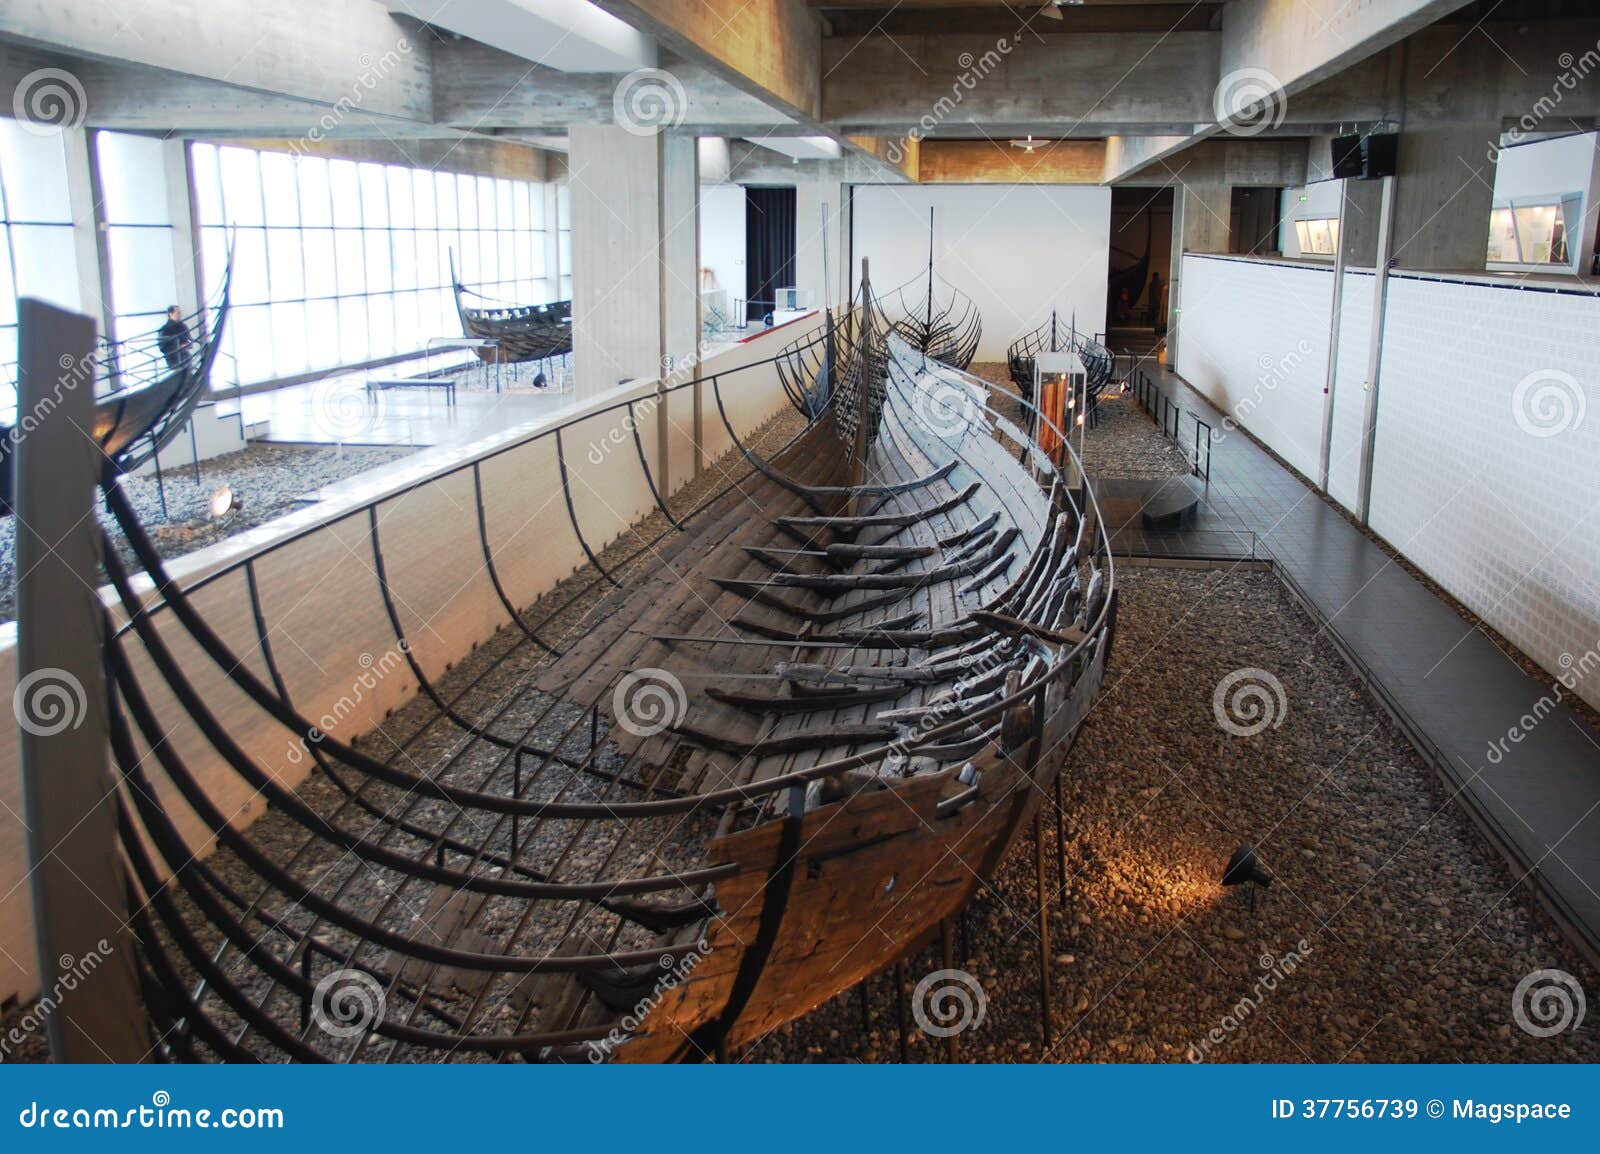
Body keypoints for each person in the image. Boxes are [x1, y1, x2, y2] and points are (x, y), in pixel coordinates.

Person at [157, 305, 190, 371]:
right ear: (170, 314)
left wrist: (187, 345)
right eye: (178, 313)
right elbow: (163, 347)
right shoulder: (164, 329)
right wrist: (178, 347)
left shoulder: (183, 326)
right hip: (173, 360)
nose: (180, 315)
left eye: (180, 313)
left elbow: (190, 341)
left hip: (185, 357)